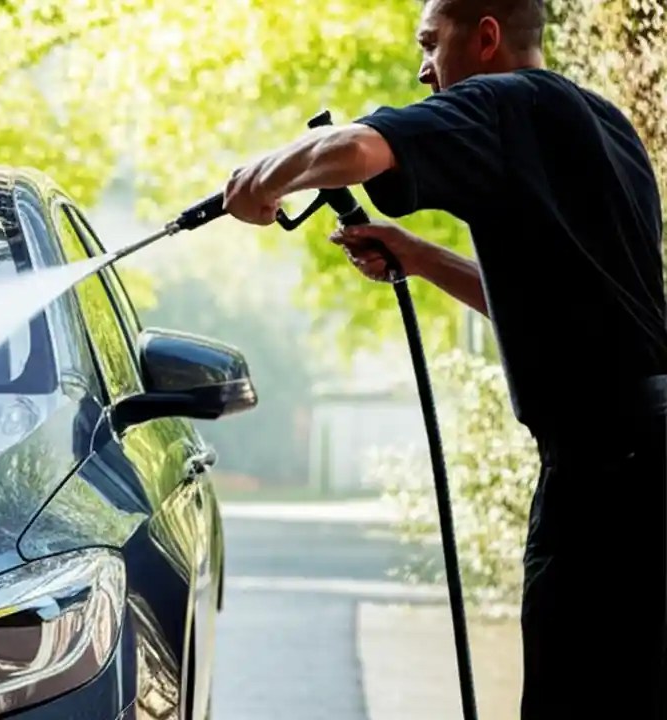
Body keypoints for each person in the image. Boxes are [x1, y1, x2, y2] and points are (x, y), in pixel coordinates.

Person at [220, 0, 666, 717]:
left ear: (485, 36)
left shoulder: (499, 101)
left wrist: (262, 181)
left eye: (431, 43)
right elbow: (551, 305)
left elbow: (354, 149)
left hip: (602, 484)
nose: (424, 69)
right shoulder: (605, 126)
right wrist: (422, 257)